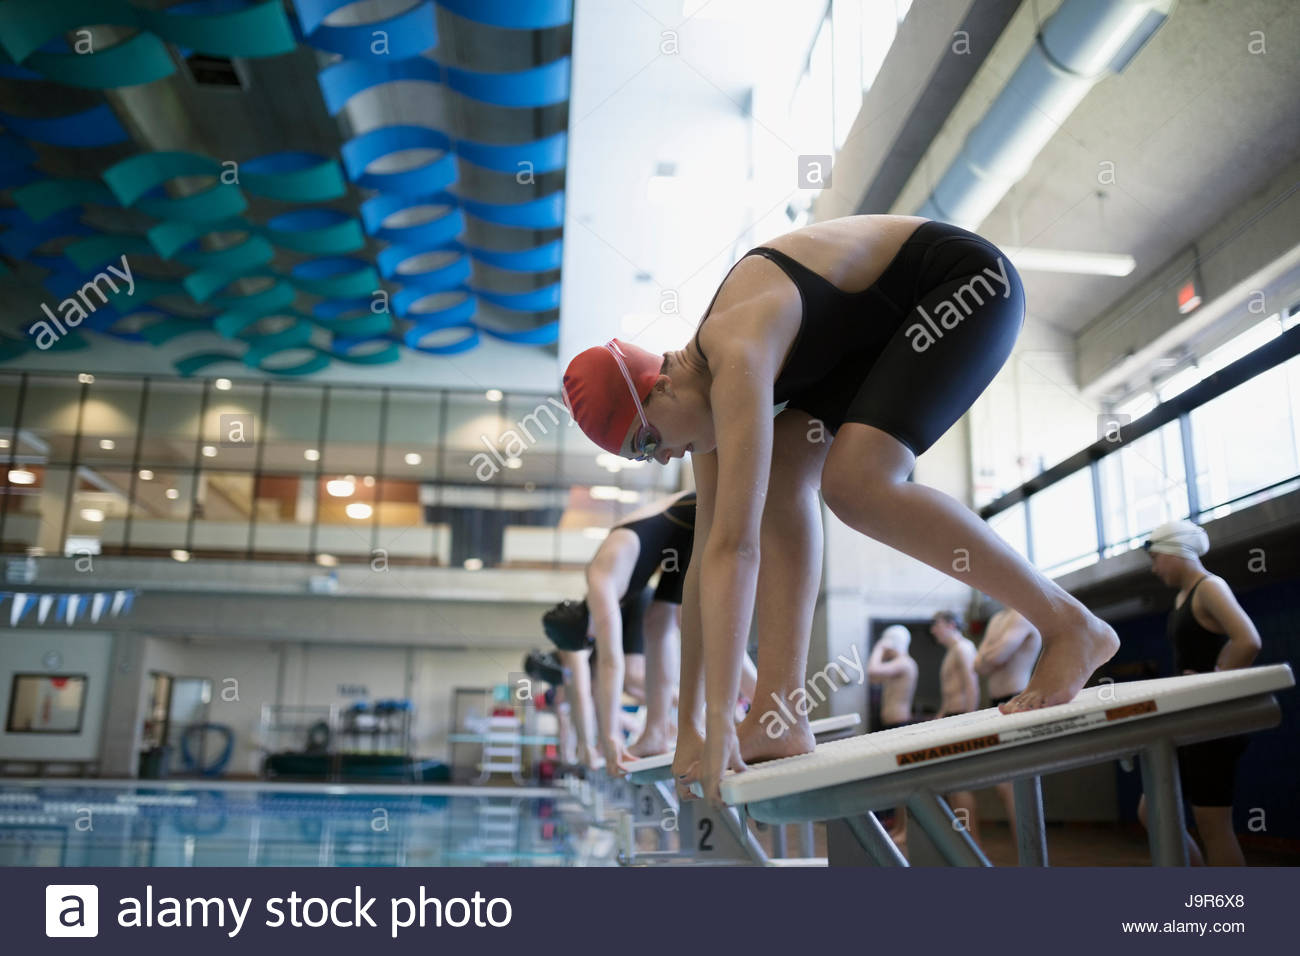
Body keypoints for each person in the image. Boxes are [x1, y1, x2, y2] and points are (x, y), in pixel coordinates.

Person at [562, 213, 1119, 802]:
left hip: (960, 287)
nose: (662, 456)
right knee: (780, 482)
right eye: (643, 457)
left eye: (648, 440)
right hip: (878, 334)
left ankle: (1071, 625)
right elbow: (706, 560)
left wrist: (721, 716)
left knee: (856, 484)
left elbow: (738, 547)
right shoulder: (703, 409)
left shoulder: (735, 350)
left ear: (662, 385)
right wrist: (691, 728)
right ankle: (779, 714)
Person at [542, 492, 758, 775]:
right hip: (681, 531)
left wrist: (610, 736)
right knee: (659, 621)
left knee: (693, 619)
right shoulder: (607, 586)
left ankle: (764, 701)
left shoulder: (599, 582)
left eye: (590, 640)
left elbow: (611, 661)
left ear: (584, 630)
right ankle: (656, 732)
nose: (595, 642)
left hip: (694, 513)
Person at [1136, 519, 1261, 866]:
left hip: (1214, 722)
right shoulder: (1183, 597)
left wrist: (1215, 680)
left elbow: (1248, 640)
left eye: (1156, 558)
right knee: (1154, 811)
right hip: (1193, 723)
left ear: (1176, 552)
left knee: (1213, 825)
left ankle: (1231, 911)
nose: (1155, 568)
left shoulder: (1210, 587)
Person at [973, 605, 1042, 834]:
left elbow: (995, 656)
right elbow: (979, 665)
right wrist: (990, 656)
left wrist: (989, 654)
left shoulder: (1025, 615)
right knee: (1003, 785)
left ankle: (1030, 851)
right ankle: (1024, 849)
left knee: (1017, 785)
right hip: (997, 704)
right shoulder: (996, 620)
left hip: (1019, 698)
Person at [866, 623, 919, 846]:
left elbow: (871, 671)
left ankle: (906, 830)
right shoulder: (897, 664)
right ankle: (899, 827)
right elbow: (874, 678)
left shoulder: (904, 663)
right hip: (892, 725)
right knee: (898, 781)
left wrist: (879, 646)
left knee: (904, 781)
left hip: (900, 725)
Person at [931, 611, 981, 844]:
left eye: (937, 625)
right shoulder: (953, 651)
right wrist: (939, 719)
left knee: (960, 784)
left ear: (951, 625)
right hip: (951, 717)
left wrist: (968, 722)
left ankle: (973, 844)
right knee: (951, 784)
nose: (933, 630)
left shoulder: (963, 648)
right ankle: (963, 842)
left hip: (961, 717)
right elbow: (950, 694)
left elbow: (971, 686)